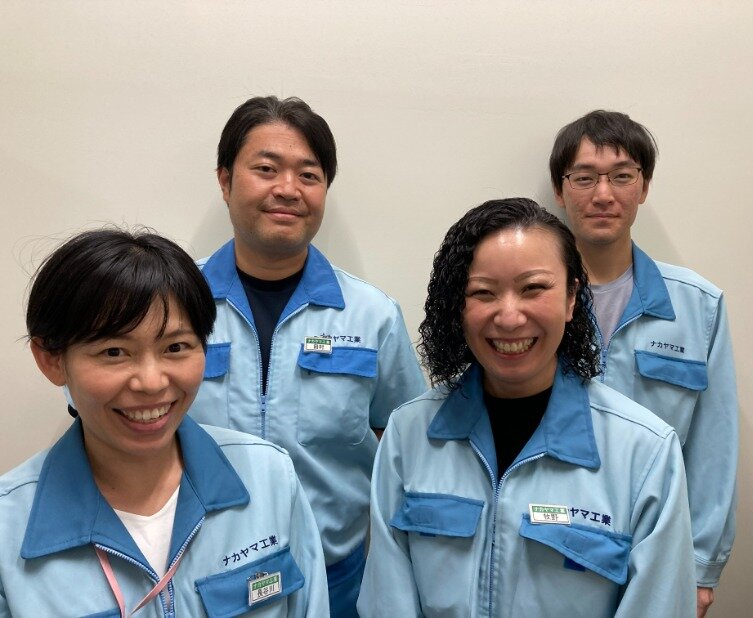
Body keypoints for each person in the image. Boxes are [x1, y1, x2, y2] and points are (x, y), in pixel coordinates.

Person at [358, 198, 696, 616]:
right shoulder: (408, 432)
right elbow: (387, 598)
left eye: (533, 288)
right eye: (483, 293)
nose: (509, 317)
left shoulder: (644, 452)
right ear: (459, 307)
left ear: (572, 298)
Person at [0, 229, 328, 616]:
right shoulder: (9, 528)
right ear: (51, 359)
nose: (152, 383)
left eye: (175, 347)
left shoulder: (268, 476)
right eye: (114, 352)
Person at [187, 95, 426, 617]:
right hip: (194, 578)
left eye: (309, 175)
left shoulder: (371, 315)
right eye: (266, 169)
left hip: (338, 579)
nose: (288, 189)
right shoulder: (171, 302)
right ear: (225, 181)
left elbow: (404, 442)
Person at [549, 111, 739, 617]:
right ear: (559, 189)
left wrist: (700, 568)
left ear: (644, 187)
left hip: (659, 543)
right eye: (584, 177)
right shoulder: (531, 300)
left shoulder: (697, 306)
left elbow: (714, 445)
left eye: (621, 176)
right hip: (550, 538)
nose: (603, 194)